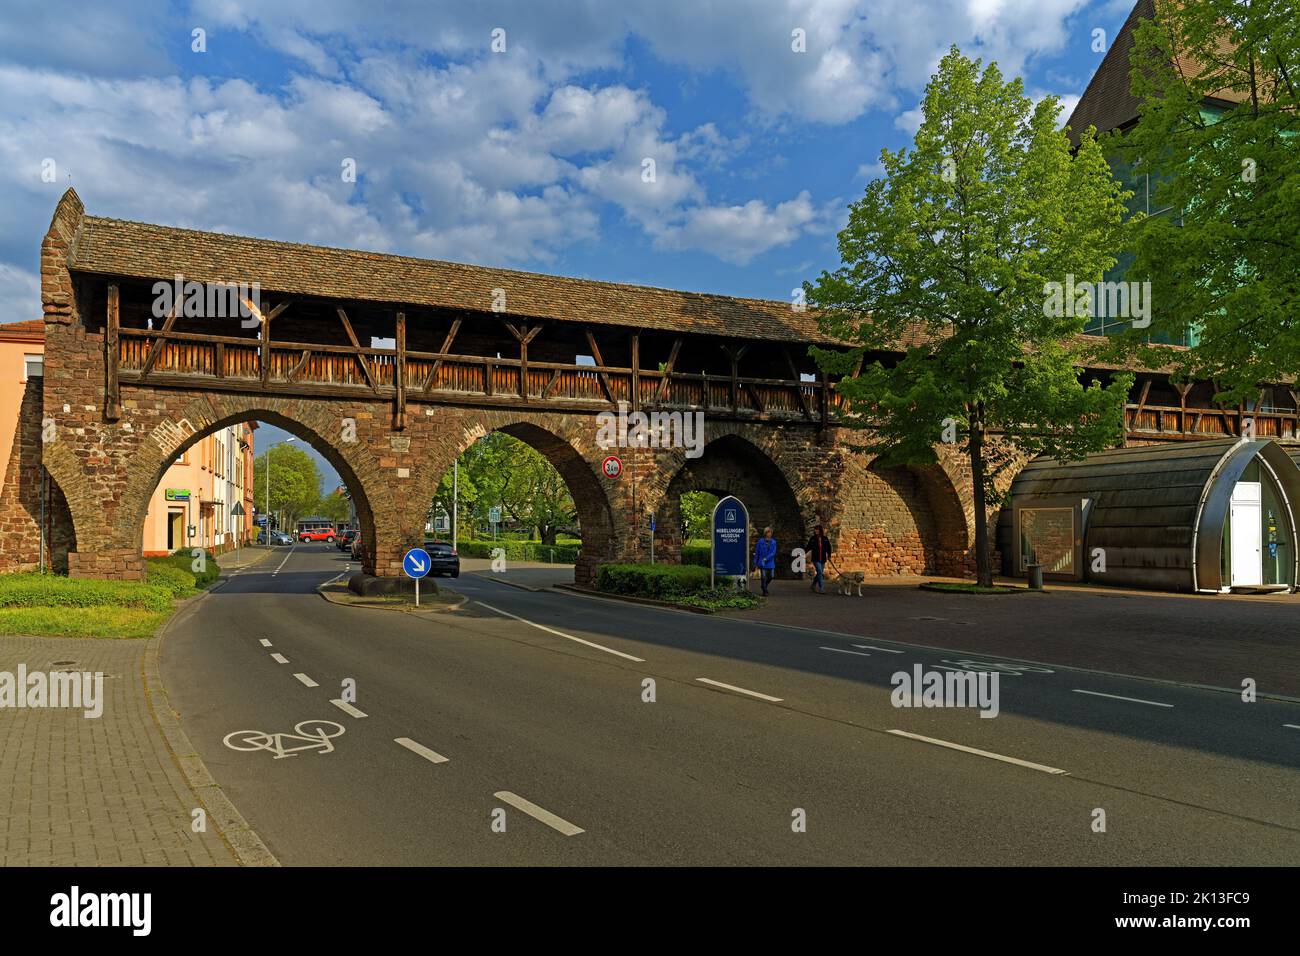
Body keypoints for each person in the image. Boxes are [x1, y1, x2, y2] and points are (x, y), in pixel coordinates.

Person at [806, 524, 833, 594]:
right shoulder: (812, 539)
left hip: (823, 559)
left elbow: (828, 548)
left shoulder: (825, 539)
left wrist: (829, 556)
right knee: (820, 573)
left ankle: (813, 585)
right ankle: (822, 588)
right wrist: (802, 553)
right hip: (815, 558)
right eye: (815, 529)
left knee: (819, 573)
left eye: (817, 529)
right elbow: (808, 547)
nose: (816, 531)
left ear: (820, 530)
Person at [753, 526, 777, 596]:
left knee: (771, 576)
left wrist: (766, 558)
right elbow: (757, 552)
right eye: (767, 532)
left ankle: (764, 586)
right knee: (763, 576)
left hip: (770, 561)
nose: (769, 534)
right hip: (762, 562)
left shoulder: (773, 542)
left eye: (770, 532)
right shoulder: (760, 541)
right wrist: (755, 562)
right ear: (765, 533)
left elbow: (773, 552)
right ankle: (764, 591)